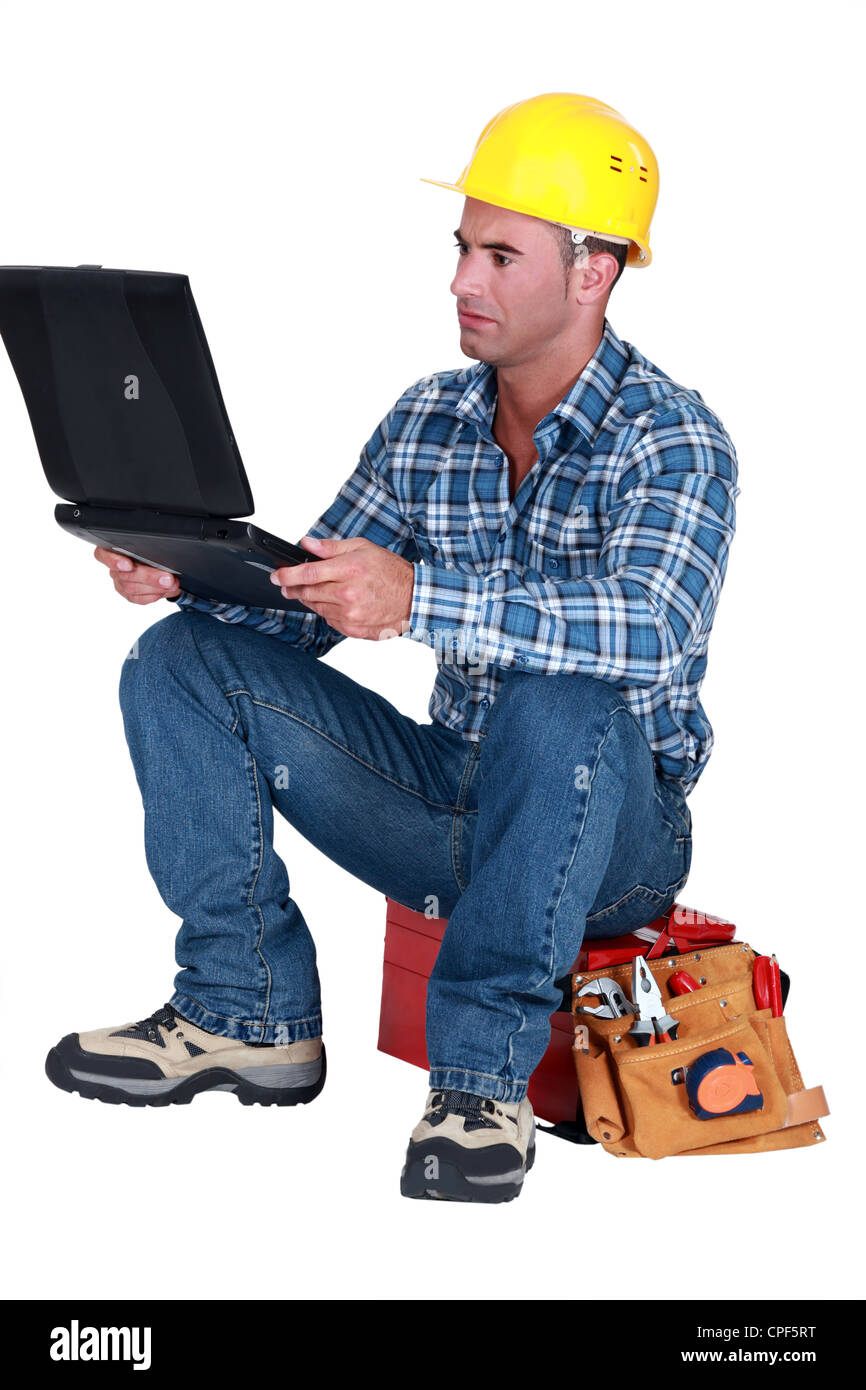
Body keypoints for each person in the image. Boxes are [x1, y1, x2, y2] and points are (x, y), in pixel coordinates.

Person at [45, 93, 739, 1204]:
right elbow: (316, 609)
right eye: (462, 247)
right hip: (445, 800)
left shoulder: (673, 438)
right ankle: (245, 1009)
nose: (463, 280)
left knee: (559, 698)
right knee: (181, 657)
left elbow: (646, 628)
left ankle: (478, 1085)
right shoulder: (428, 420)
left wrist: (416, 597)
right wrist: (195, 575)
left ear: (593, 272)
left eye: (500, 255)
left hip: (616, 834)